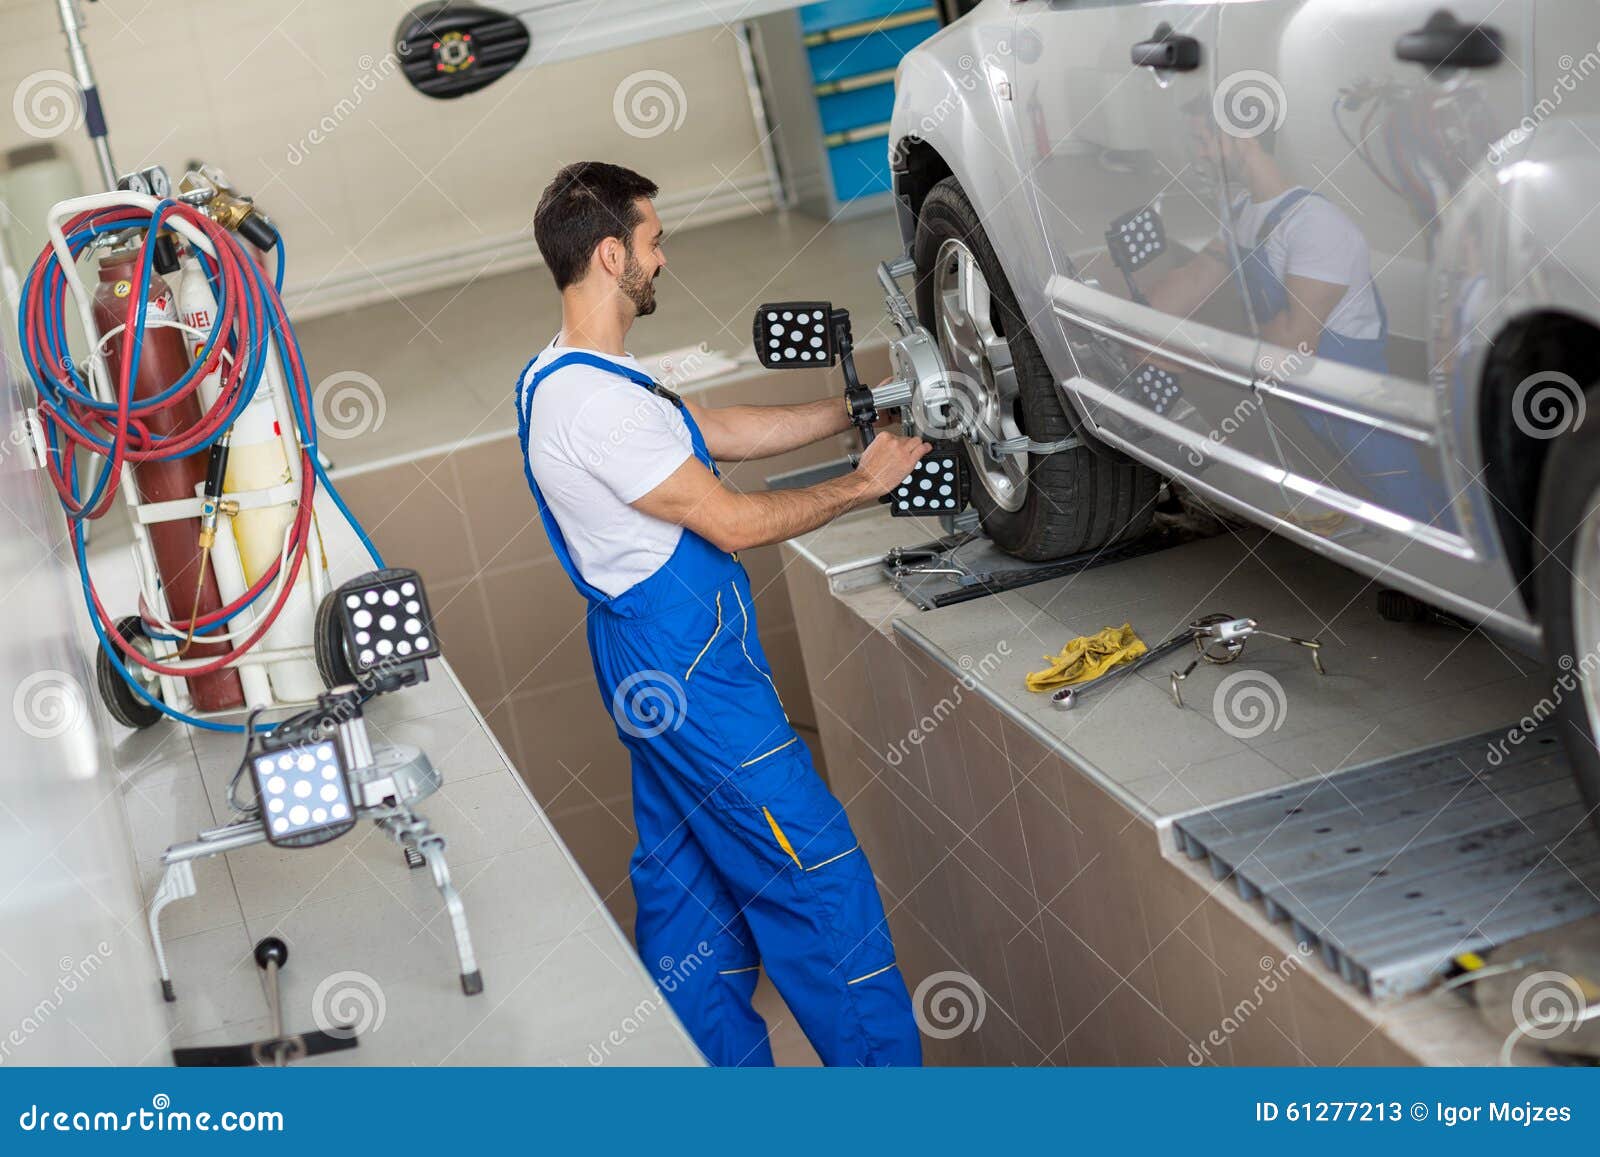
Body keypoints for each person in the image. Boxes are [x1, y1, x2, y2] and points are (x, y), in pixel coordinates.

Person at [515, 160, 927, 1067]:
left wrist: (861, 409)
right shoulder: (596, 406)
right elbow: (734, 522)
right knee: (819, 884)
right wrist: (864, 484)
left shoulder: (573, 373)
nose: (665, 259)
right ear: (613, 254)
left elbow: (713, 429)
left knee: (688, 901)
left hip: (649, 666)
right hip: (697, 682)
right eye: (655, 242)